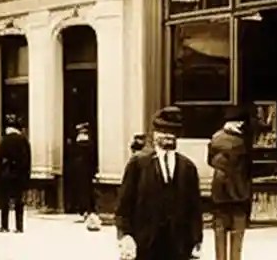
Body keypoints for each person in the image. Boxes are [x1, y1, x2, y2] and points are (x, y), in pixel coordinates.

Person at [115, 106, 203, 260]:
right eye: (163, 132)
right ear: (154, 134)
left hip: (178, 246)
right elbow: (124, 204)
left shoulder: (188, 167)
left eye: (173, 133)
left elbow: (194, 207)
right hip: (145, 244)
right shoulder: (138, 164)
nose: (168, 137)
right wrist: (125, 235)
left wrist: (196, 239)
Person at [208, 106, 252, 260]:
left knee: (219, 234)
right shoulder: (241, 142)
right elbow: (247, 169)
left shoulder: (215, 139)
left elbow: (210, 161)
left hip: (219, 195)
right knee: (237, 236)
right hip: (238, 194)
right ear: (237, 123)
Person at [0, 114, 31, 234]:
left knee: (4, 201)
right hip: (19, 175)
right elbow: (27, 159)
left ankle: (4, 226)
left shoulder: (5, 141)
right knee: (18, 201)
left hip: (6, 174)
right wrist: (26, 175)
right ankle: (19, 227)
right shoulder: (23, 140)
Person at [66, 122, 97, 221]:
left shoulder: (80, 143)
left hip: (80, 171)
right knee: (86, 191)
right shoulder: (89, 143)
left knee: (82, 191)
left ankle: (84, 209)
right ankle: (87, 209)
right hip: (86, 171)